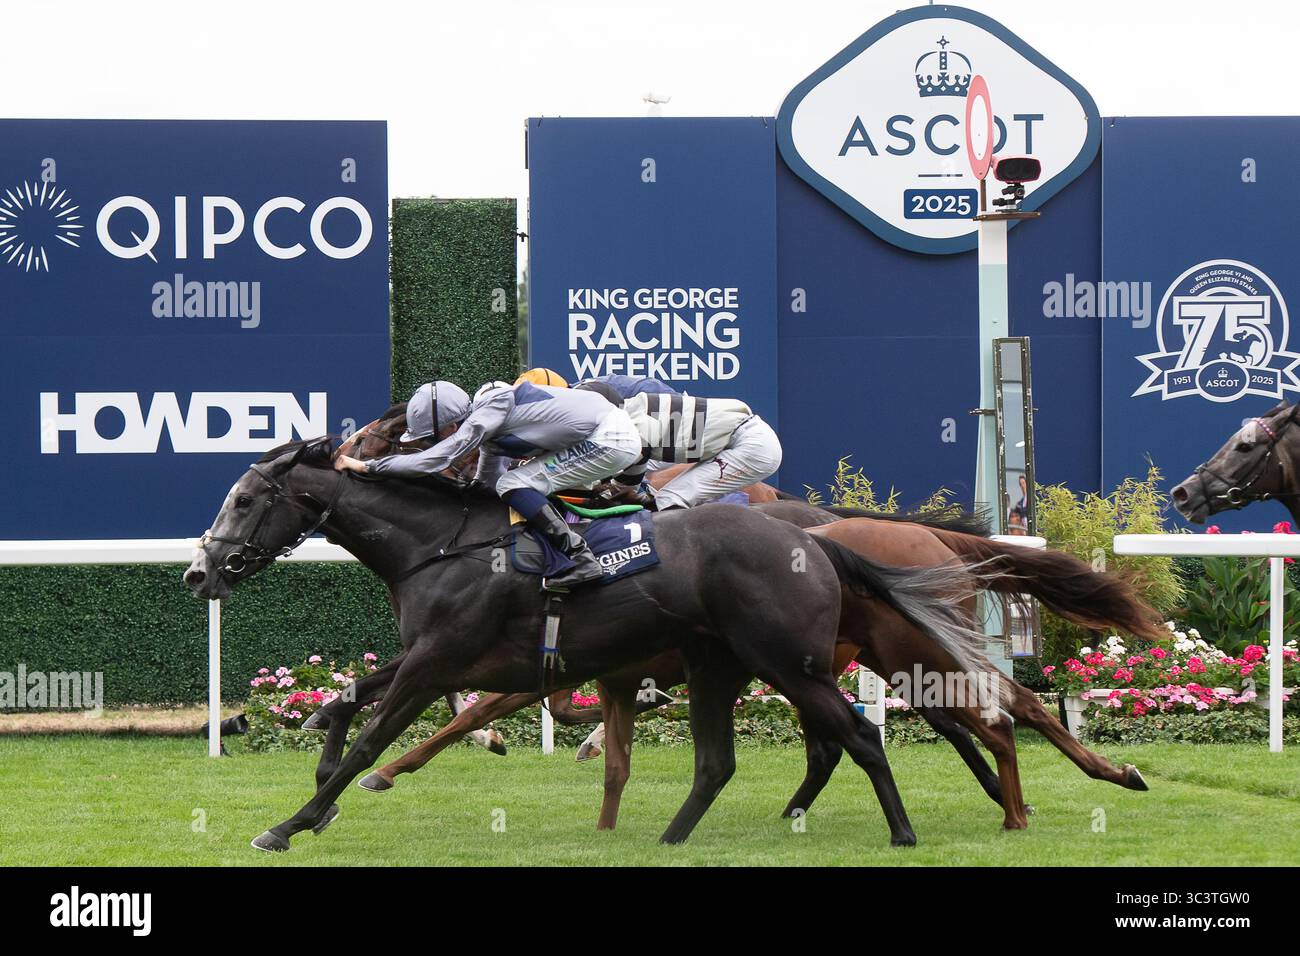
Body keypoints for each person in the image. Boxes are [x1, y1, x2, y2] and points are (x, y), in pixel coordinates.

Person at [335, 379, 641, 589]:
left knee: (516, 481)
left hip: (611, 438)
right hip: (606, 436)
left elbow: (439, 458)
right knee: (513, 484)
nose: (431, 442)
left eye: (432, 436)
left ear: (452, 426)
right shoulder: (492, 437)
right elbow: (485, 484)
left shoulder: (492, 407)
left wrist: (369, 465)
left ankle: (579, 557)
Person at [575, 376, 782, 510]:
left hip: (752, 446)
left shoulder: (633, 422)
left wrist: (608, 491)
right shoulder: (632, 412)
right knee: (659, 498)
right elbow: (631, 476)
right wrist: (616, 490)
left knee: (669, 500)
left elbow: (629, 468)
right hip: (741, 441)